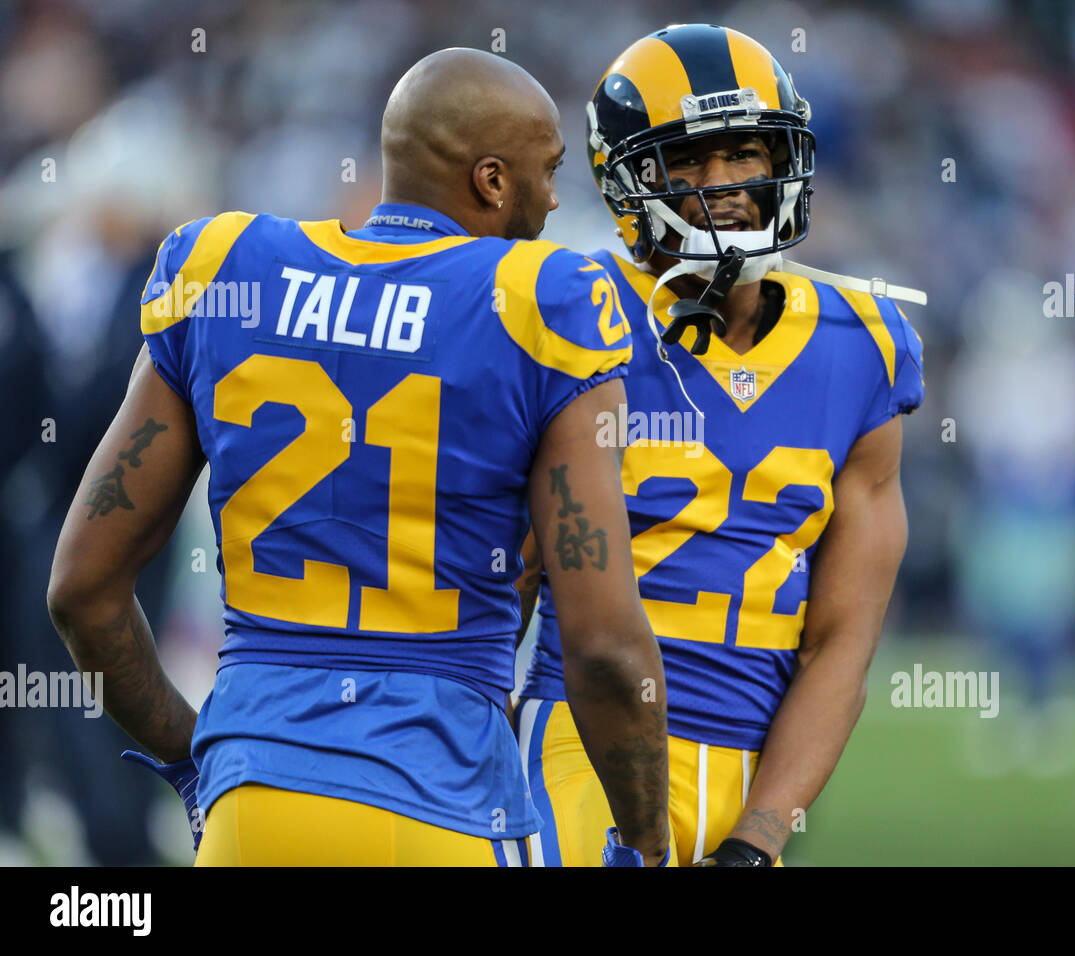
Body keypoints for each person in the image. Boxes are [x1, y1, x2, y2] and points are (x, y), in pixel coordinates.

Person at [46, 48, 670, 867]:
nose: (555, 199)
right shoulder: (544, 302)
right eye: (547, 172)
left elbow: (81, 592)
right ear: (490, 180)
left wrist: (199, 758)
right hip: (444, 806)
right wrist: (648, 844)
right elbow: (604, 647)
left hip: (252, 806)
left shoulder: (226, 268)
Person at [516, 24, 925, 866]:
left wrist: (762, 835)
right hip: (577, 751)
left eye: (744, 155)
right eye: (688, 163)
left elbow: (841, 639)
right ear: (629, 181)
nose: (724, 187)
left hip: (758, 771)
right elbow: (504, 581)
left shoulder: (868, 342)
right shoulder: (569, 310)